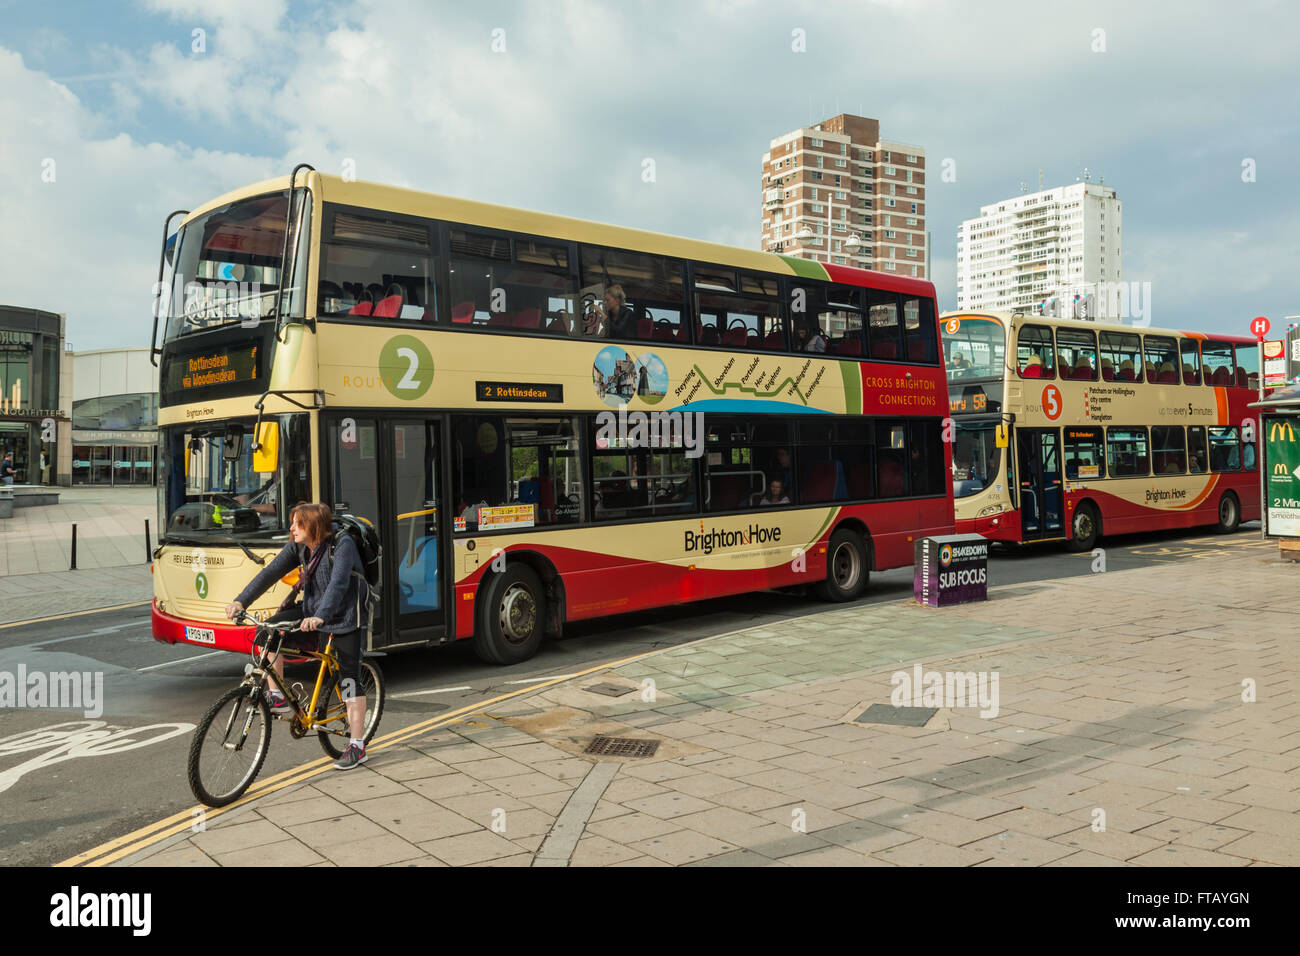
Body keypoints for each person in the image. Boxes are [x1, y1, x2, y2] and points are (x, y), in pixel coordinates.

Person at [224, 502, 372, 770]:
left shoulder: (343, 544)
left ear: (313, 526)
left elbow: (338, 584)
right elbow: (270, 572)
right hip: (312, 612)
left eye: (297, 524)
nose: (291, 528)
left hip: (345, 616)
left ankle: (357, 746)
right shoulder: (299, 546)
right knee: (266, 634)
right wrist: (240, 601)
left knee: (349, 677)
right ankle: (278, 698)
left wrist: (322, 616)